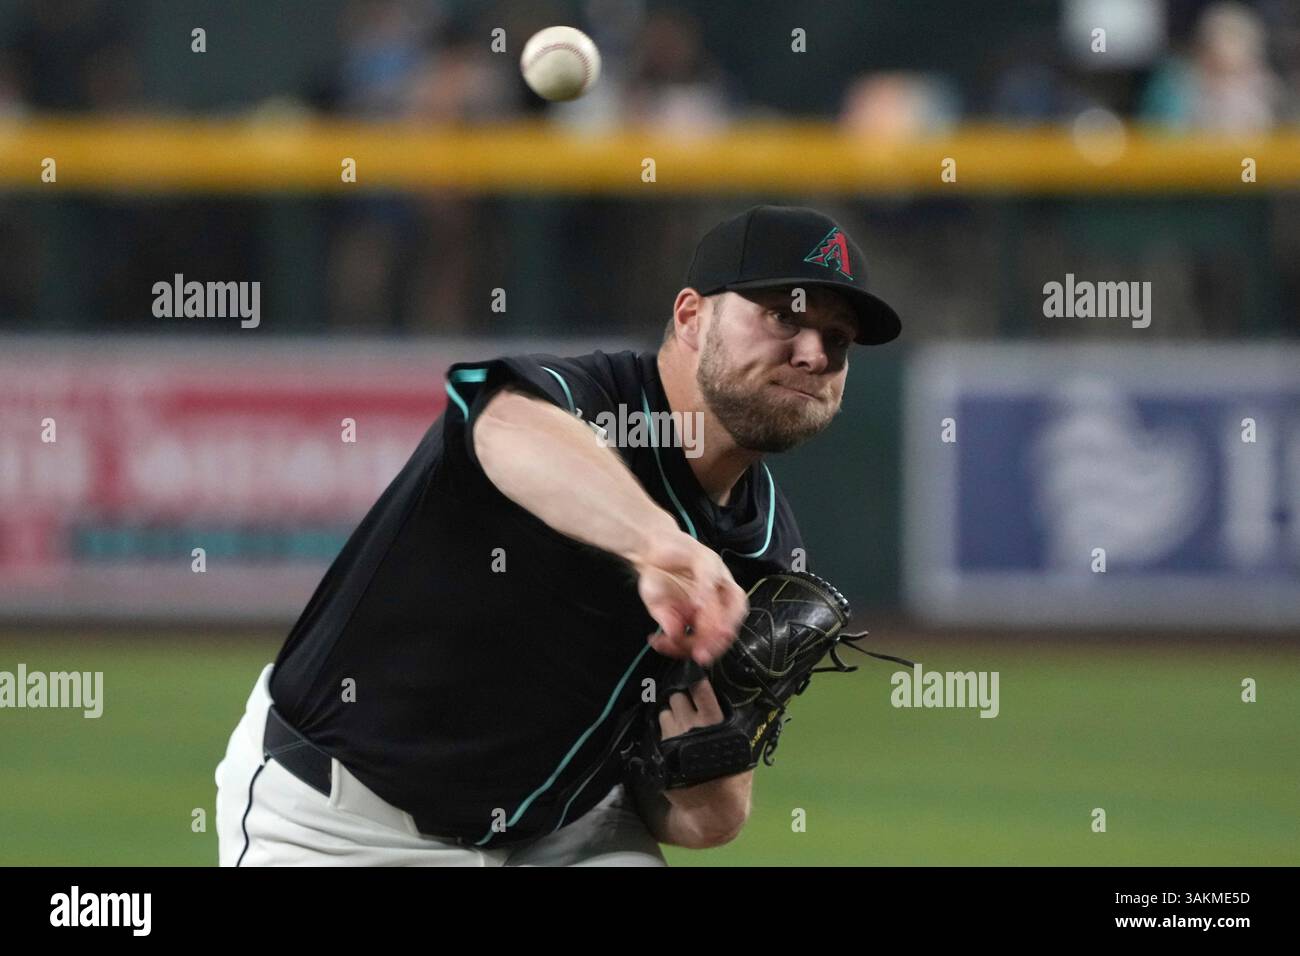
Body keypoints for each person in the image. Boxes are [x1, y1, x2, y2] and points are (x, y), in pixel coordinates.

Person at [214, 204, 901, 866]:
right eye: (785, 316)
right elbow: (502, 425)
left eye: (837, 340)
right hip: (343, 822)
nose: (814, 353)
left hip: (568, 834)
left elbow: (695, 818)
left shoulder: (766, 551)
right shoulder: (580, 402)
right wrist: (654, 543)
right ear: (692, 317)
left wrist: (715, 781)